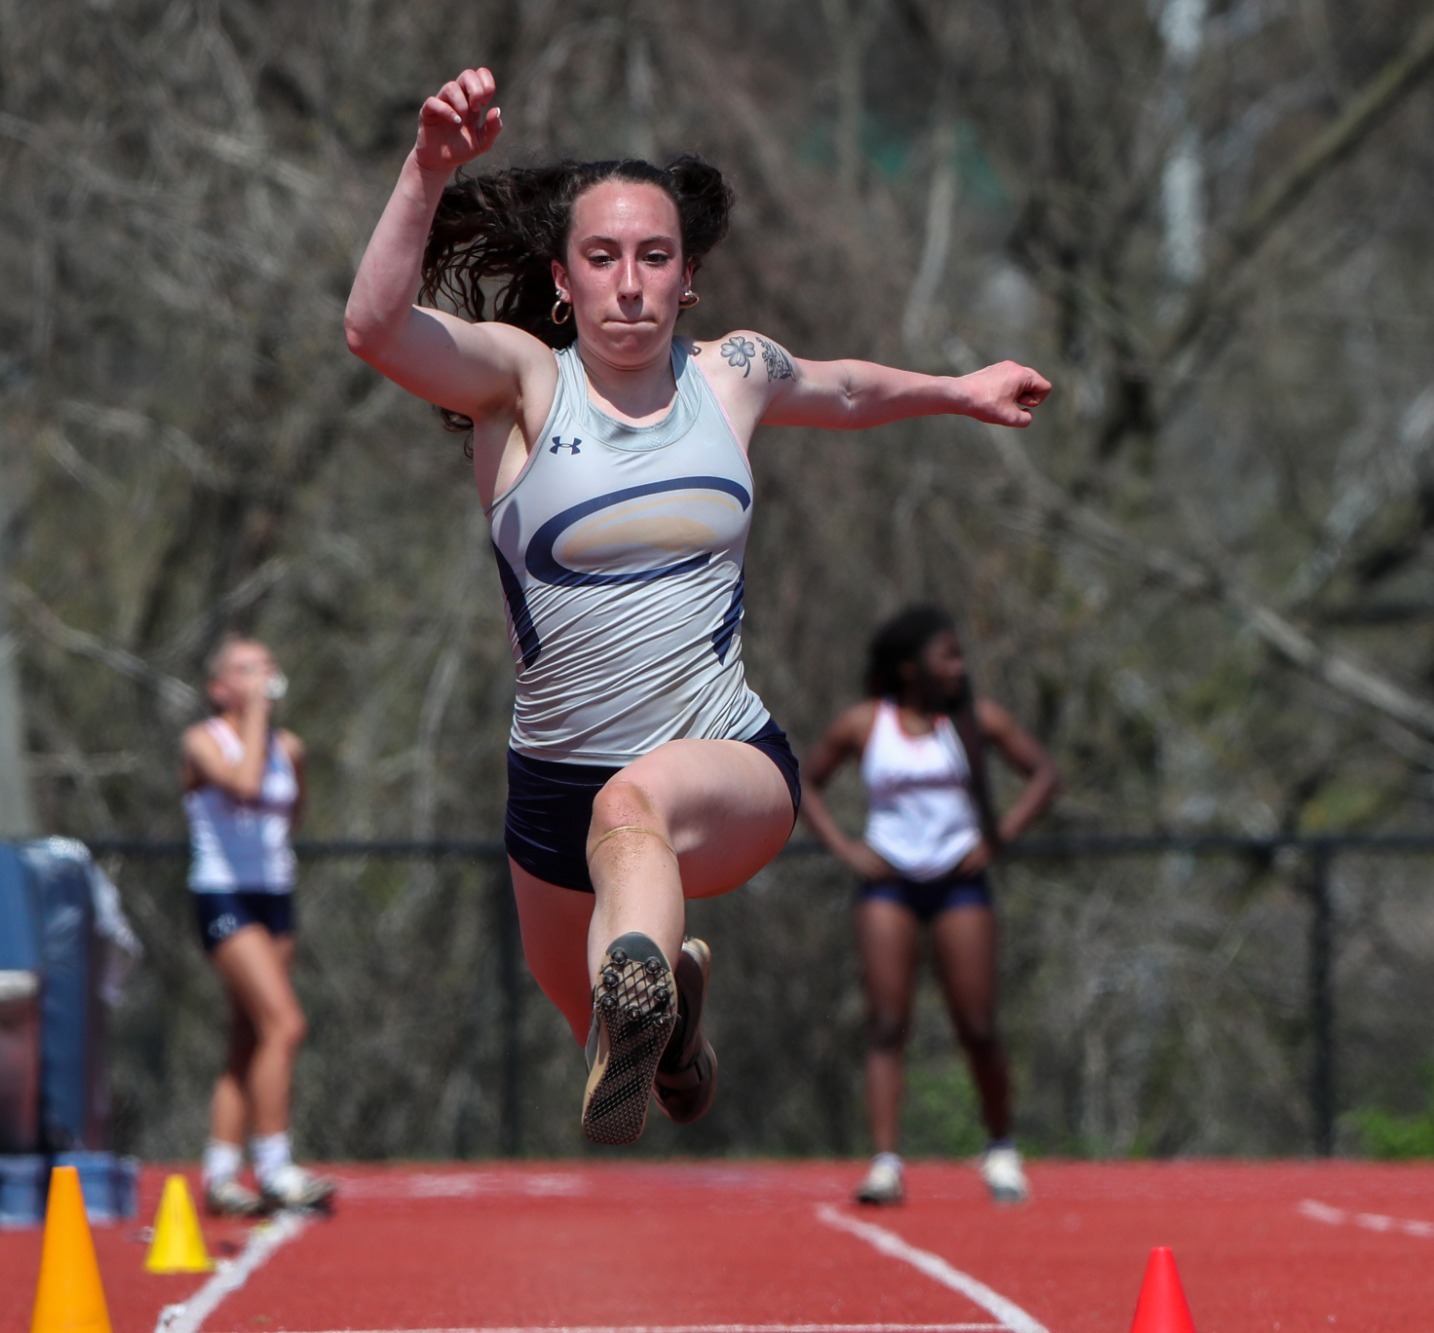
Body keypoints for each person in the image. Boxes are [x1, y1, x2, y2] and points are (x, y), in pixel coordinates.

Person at [343, 67, 1051, 1145]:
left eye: (654, 258)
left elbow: (844, 385)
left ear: (688, 283)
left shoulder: (731, 376)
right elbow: (374, 329)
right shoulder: (520, 385)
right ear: (562, 278)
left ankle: (646, 983)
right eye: (603, 259)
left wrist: (955, 389)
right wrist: (427, 170)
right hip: (551, 783)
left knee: (634, 809)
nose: (629, 283)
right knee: (592, 1010)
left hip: (724, 759)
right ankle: (669, 1023)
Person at [798, 606, 1059, 1205]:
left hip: (957, 880)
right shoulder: (867, 724)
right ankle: (886, 1162)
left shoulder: (974, 720)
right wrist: (846, 848)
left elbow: (1042, 773)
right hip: (888, 879)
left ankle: (1001, 1150)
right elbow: (804, 780)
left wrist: (998, 838)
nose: (959, 667)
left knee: (978, 1024)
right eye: (947, 656)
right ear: (908, 666)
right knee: (887, 1024)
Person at [181, 636, 336, 1214]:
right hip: (224, 895)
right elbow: (244, 784)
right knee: (285, 1024)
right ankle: (274, 1167)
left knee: (250, 1035)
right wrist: (253, 715)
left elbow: (290, 811)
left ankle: (221, 1172)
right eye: (246, 669)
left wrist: (268, 729)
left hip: (275, 896)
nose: (262, 676)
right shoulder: (204, 740)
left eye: (267, 665)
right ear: (220, 687)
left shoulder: (287, 747)